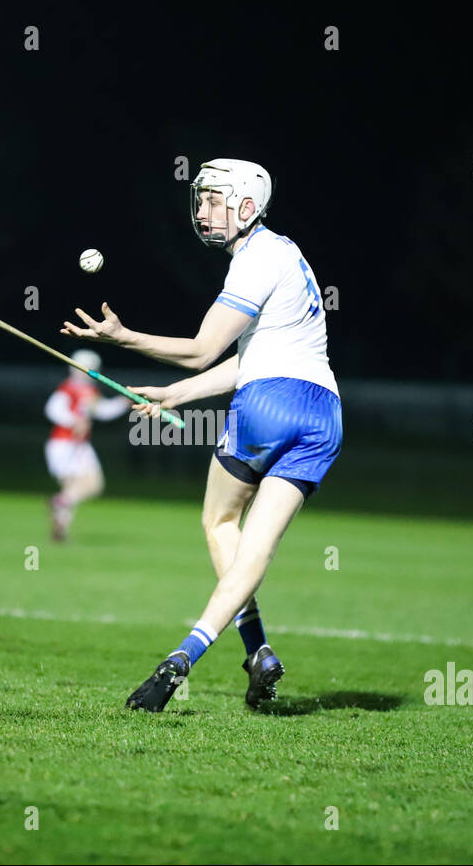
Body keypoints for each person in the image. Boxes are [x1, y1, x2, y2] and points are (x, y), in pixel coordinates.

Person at [61, 158, 342, 711]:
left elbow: (201, 349)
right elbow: (252, 359)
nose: (203, 210)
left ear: (247, 206)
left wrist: (125, 338)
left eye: (215, 200)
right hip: (324, 414)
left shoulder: (254, 259)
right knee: (256, 547)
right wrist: (177, 393)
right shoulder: (285, 255)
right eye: (201, 199)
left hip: (267, 406)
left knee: (219, 520)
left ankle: (254, 645)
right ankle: (200, 656)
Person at [44, 350, 131, 541]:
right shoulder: (69, 388)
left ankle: (60, 528)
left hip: (76, 445)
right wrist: (73, 420)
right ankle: (61, 506)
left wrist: (123, 402)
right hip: (64, 444)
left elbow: (102, 411)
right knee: (91, 485)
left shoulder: (89, 390)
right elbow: (52, 409)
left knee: (73, 488)